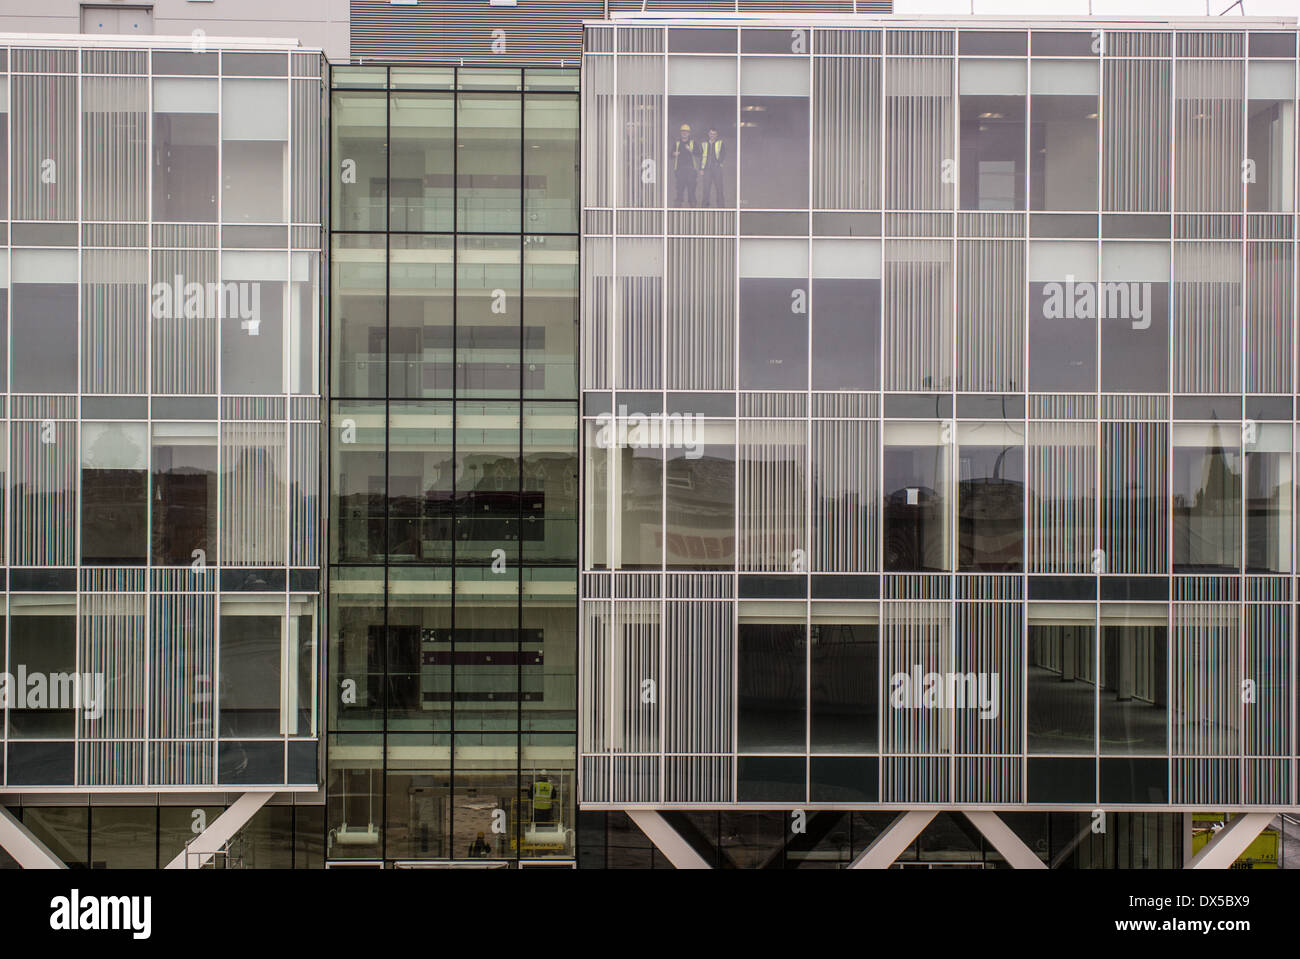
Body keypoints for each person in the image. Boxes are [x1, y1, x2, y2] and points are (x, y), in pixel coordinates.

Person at [671, 124, 700, 207]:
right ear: (681, 133)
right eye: (683, 131)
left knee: (691, 190)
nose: (684, 133)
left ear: (689, 133)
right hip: (680, 170)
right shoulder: (677, 143)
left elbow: (698, 154)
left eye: (686, 131)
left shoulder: (693, 143)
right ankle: (677, 207)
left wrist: (691, 150)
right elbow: (671, 155)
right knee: (679, 190)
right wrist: (674, 154)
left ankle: (693, 206)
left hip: (691, 170)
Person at [699, 127, 727, 207]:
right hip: (707, 169)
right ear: (708, 134)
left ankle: (721, 208)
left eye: (714, 134)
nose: (712, 135)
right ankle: (704, 208)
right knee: (706, 190)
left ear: (717, 135)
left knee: (719, 189)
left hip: (717, 169)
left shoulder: (720, 143)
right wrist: (701, 169)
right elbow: (701, 157)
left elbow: (723, 154)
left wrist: (718, 162)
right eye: (711, 134)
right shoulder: (704, 144)